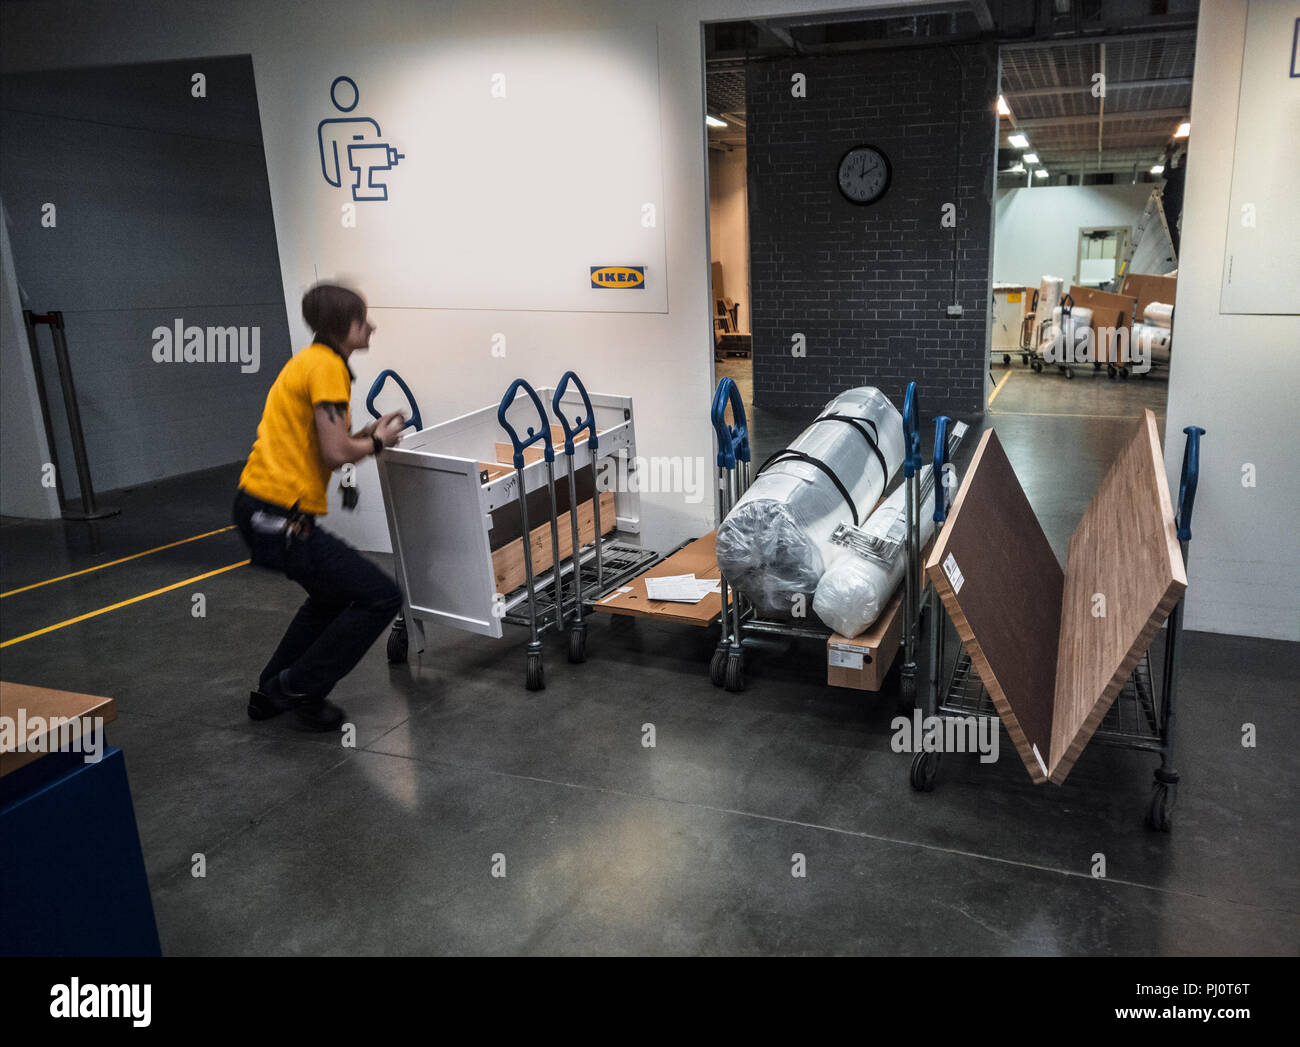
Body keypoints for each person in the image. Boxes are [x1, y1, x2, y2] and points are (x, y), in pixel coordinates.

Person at [232, 283, 407, 730]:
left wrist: (367, 434)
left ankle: (271, 693)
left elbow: (326, 442)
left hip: (260, 508)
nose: (370, 325)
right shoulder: (327, 367)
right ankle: (297, 688)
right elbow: (334, 453)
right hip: (278, 514)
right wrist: (376, 441)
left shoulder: (311, 361)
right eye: (362, 319)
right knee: (381, 595)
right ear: (342, 327)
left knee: (331, 596)